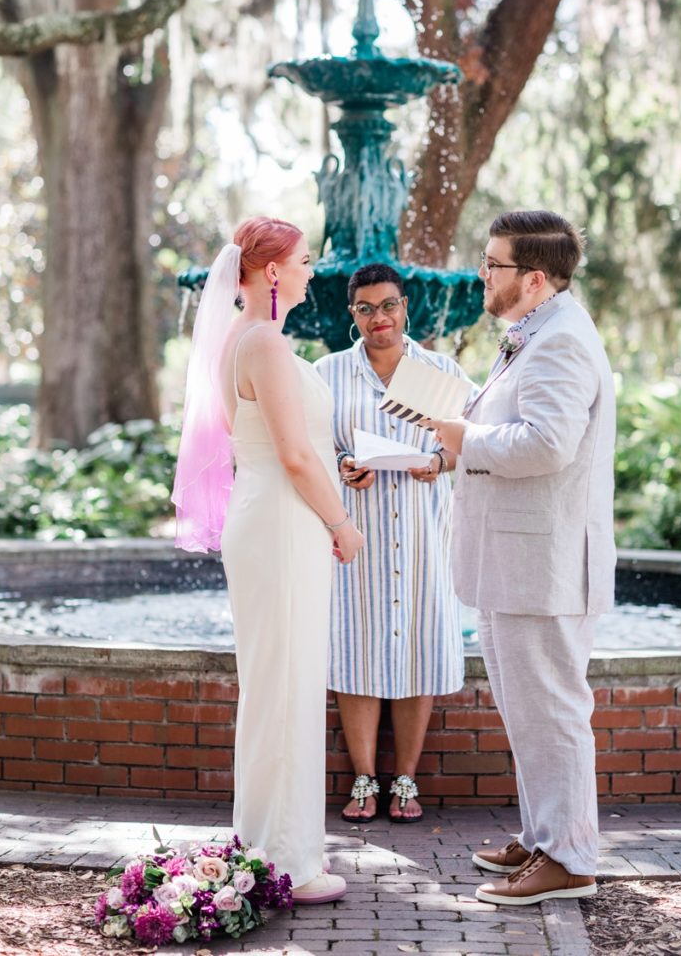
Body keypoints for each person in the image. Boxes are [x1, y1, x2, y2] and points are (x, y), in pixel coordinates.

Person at [173, 216, 365, 906]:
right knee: (287, 686)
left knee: (275, 683)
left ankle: (266, 842)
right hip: (285, 524)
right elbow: (293, 455)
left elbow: (277, 445)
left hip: (267, 516)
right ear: (274, 270)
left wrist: (337, 475)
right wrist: (342, 523)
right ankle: (288, 862)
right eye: (306, 261)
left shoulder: (240, 338)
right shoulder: (264, 343)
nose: (313, 272)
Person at [426, 210, 613, 907]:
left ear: (534, 278)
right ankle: (543, 838)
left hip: (545, 566)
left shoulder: (561, 341)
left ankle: (568, 859)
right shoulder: (535, 332)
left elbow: (546, 444)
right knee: (527, 715)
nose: (483, 273)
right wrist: (452, 447)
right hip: (514, 562)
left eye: (493, 264)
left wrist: (465, 438)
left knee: (552, 713)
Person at [316, 264, 469, 824]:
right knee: (356, 646)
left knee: (417, 648)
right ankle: (363, 779)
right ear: (351, 314)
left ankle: (405, 778)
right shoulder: (327, 374)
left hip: (423, 536)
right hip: (356, 535)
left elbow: (468, 443)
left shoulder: (440, 372)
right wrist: (342, 463)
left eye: (387, 305)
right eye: (365, 308)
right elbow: (310, 446)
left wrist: (438, 461)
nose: (378, 317)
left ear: (405, 307)